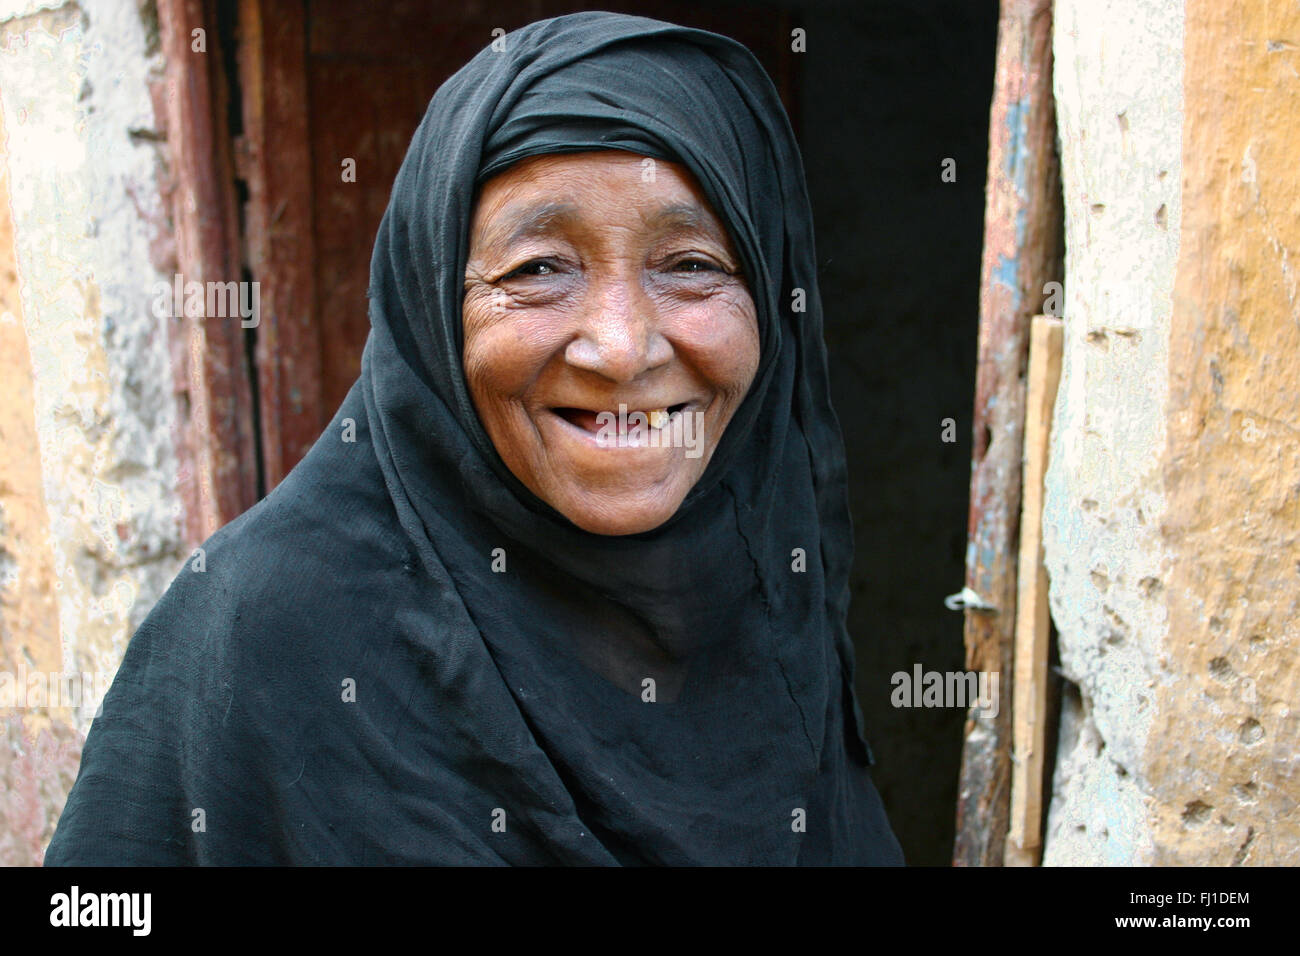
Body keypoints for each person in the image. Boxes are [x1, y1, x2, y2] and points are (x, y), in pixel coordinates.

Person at [44, 11, 903, 866]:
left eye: (692, 265)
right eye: (537, 270)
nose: (622, 346)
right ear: (432, 309)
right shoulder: (260, 635)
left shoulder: (765, 597)